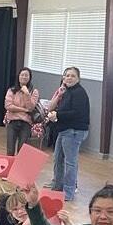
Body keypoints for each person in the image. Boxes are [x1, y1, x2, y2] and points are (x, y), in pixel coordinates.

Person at [46, 67, 91, 201]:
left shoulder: (79, 93)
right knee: (58, 158)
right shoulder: (66, 91)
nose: (69, 78)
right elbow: (52, 106)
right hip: (64, 130)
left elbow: (77, 113)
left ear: (78, 78)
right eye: (67, 76)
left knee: (70, 162)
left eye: (72, 76)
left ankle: (69, 192)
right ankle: (58, 186)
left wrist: (57, 115)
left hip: (74, 131)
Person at [4, 67, 40, 156]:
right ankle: (10, 169)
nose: (24, 77)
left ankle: (18, 169)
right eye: (22, 75)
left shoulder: (34, 92)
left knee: (22, 150)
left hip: (26, 123)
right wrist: (23, 110)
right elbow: (8, 106)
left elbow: (31, 107)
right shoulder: (11, 90)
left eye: (26, 75)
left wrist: (27, 94)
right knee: (10, 149)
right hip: (12, 122)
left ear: (30, 78)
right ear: (18, 77)